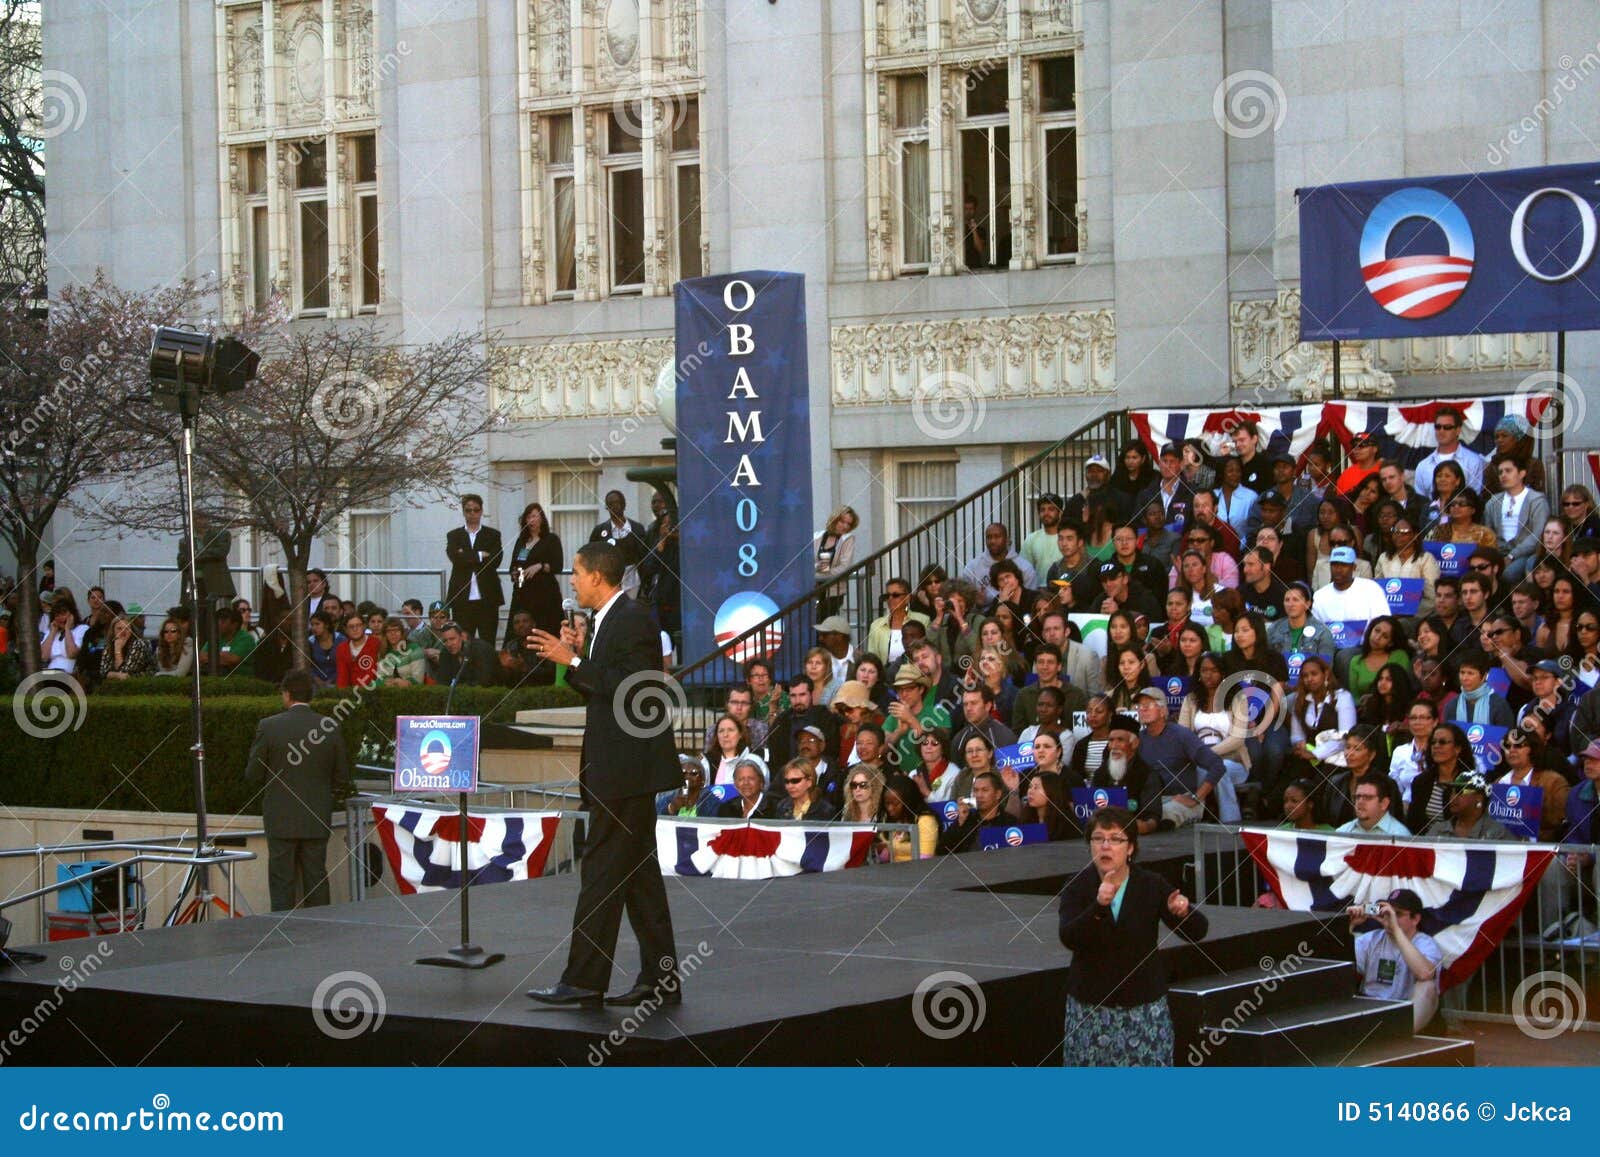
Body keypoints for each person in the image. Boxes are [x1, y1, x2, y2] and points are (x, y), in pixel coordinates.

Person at [525, 540, 680, 1008]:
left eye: (575, 572)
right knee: (639, 879)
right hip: (619, 771)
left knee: (600, 874)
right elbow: (602, 687)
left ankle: (584, 980)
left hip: (627, 773)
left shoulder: (632, 618)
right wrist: (577, 659)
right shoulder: (606, 620)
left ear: (597, 576)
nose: (570, 580)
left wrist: (570, 660)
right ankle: (661, 979)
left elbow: (633, 691)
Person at [1057, 807, 1208, 1066]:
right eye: (1098, 838)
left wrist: (1182, 912)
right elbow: (1069, 937)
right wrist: (1099, 907)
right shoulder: (1078, 886)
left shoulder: (1151, 884)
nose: (1105, 846)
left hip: (1143, 1008)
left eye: (1115, 839)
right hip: (1091, 1008)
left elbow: (1198, 931)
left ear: (1130, 848)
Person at [245, 670, 353, 912]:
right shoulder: (330, 726)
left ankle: (284, 937)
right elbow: (342, 776)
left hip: (280, 817)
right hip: (316, 815)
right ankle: (322, 934)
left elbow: (252, 775)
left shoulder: (268, 726)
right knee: (316, 878)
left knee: (282, 883)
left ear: (287, 694)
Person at [1347, 889, 1441, 1033]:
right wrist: (1350, 925)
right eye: (1388, 912)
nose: (1391, 917)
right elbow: (1340, 967)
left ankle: (1402, 1039)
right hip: (1370, 1007)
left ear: (1415, 919)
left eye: (1398, 914)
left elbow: (1425, 974)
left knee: (1428, 987)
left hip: (1405, 1012)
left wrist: (1396, 930)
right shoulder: (1371, 939)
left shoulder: (1426, 943)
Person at [1134, 687, 1230, 826]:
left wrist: (1196, 798)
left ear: (1163, 711)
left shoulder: (1181, 735)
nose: (1142, 709)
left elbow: (1217, 765)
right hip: (1151, 801)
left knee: (1161, 816)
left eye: (1147, 705)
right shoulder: (1138, 739)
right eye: (1139, 706)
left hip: (1181, 801)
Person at [445, 494, 505, 642]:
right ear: (463, 511)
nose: (472, 514)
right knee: (464, 643)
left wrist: (465, 555)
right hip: (462, 599)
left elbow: (495, 561)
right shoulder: (454, 535)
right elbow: (455, 559)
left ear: (481, 511)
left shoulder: (493, 535)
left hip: (487, 598)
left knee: (488, 642)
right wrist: (479, 555)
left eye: (476, 510)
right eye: (468, 510)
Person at [1493, 728, 1569, 843]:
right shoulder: (1499, 783)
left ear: (1533, 749)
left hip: (1541, 852)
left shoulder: (1553, 782)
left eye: (1518, 745)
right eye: (1507, 746)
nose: (1512, 750)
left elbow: (1562, 825)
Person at [1404, 722, 1477, 835]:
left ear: (1457, 748)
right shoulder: (1421, 781)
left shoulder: (1469, 782)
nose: (1436, 746)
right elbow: (1413, 823)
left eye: (1442, 742)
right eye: (1433, 742)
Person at [508, 501, 564, 638]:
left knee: (545, 629)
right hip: (522, 592)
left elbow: (558, 565)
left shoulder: (551, 539)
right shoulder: (521, 541)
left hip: (544, 593)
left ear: (542, 518)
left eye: (535, 516)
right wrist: (514, 573)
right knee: (521, 631)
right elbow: (513, 564)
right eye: (528, 517)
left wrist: (540, 566)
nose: (531, 520)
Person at [1414, 406, 1486, 500]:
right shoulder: (1423, 466)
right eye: (1438, 427)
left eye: (1447, 427)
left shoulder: (1474, 461)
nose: (1441, 431)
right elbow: (1420, 503)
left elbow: (1475, 499)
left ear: (1458, 430)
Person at [938, 769, 1013, 854]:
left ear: (998, 794)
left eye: (985, 790)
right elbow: (941, 852)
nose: (979, 795)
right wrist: (960, 822)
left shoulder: (1010, 822)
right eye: (976, 790)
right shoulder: (965, 820)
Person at [1421, 770, 1512, 840]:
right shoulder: (1438, 830)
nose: (1453, 797)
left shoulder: (1498, 833)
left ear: (1479, 798)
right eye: (1451, 792)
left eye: (1459, 791)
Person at [961, 522, 1038, 604]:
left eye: (997, 537)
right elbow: (966, 602)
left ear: (1007, 539)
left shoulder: (1024, 567)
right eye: (989, 537)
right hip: (984, 614)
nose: (992, 541)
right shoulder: (972, 568)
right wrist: (978, 605)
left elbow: (1031, 599)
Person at [1312, 546, 1390, 625]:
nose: (1338, 570)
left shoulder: (1372, 589)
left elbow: (1383, 623)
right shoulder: (1319, 596)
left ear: (1353, 567)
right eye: (1334, 565)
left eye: (1343, 565)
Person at [879, 773, 939, 861]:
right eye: (887, 803)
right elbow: (883, 858)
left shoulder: (926, 821)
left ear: (909, 800)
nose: (890, 808)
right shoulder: (889, 819)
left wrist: (892, 847)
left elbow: (925, 858)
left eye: (895, 804)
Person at [813, 505, 859, 617]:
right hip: (814, 588)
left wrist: (824, 573)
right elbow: (806, 562)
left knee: (824, 622)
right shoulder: (818, 536)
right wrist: (817, 567)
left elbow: (845, 567)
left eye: (849, 524)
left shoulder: (848, 539)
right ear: (834, 520)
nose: (845, 527)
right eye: (842, 522)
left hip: (834, 590)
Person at [429, 620, 498, 688]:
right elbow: (442, 682)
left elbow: (484, 682)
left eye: (452, 639)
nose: (449, 644)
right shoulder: (445, 652)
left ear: (463, 636)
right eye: (445, 640)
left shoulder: (481, 650)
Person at [1336, 773, 1410, 836]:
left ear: (1384, 804)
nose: (1360, 802)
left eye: (1367, 797)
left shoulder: (1401, 836)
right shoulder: (1342, 832)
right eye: (1358, 797)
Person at [98, 605, 154, 682]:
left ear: (132, 631)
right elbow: (103, 672)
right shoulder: (109, 645)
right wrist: (116, 675)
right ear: (113, 631)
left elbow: (125, 674)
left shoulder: (140, 644)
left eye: (127, 628)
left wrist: (118, 650)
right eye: (119, 628)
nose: (123, 632)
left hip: (141, 684)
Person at [334, 610, 382, 688]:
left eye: (358, 625)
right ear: (346, 629)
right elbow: (342, 677)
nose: (355, 629)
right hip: (350, 694)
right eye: (351, 626)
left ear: (364, 626)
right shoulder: (342, 648)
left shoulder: (376, 644)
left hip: (373, 691)